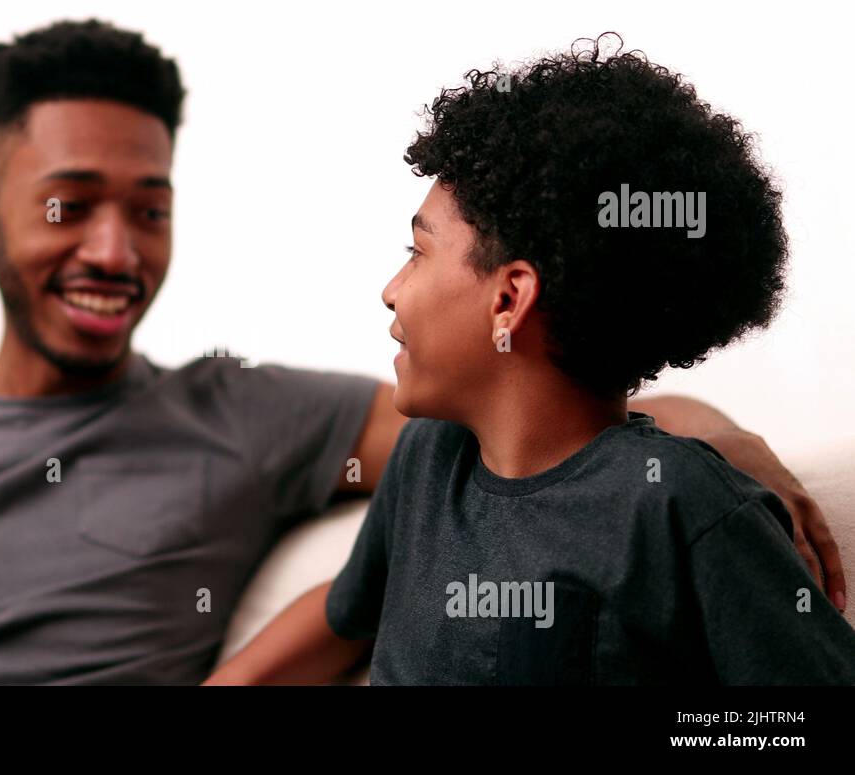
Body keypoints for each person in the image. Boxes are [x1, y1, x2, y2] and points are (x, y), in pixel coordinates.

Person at [0, 22, 843, 685]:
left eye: (149, 207)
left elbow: (548, 423)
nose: (112, 248)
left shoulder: (246, 416)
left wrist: (725, 441)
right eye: (68, 205)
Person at [206, 35, 855, 685]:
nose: (392, 289)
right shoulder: (429, 459)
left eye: (417, 252)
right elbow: (347, 612)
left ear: (508, 299)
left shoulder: (681, 508)